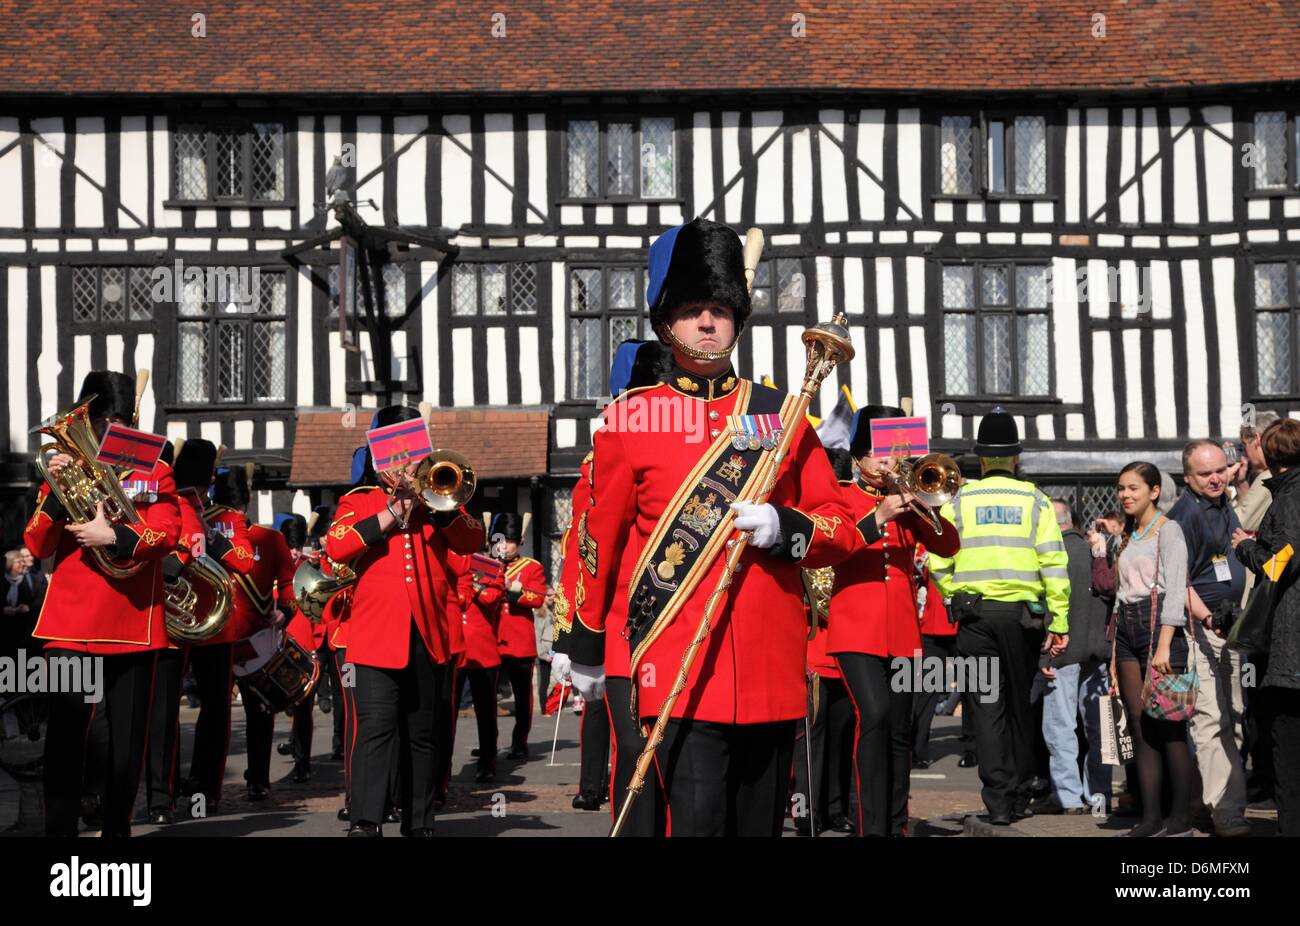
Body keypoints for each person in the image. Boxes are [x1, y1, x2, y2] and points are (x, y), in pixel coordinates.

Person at [561, 217, 855, 836]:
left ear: (737, 320)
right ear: (666, 323)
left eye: (720, 309)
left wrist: (787, 527)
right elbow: (599, 540)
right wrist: (586, 644)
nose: (707, 322)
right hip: (677, 665)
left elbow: (842, 523)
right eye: (692, 309)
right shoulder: (630, 419)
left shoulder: (781, 414)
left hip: (771, 667)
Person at [26, 370, 181, 836]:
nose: (105, 431)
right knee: (66, 736)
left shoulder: (154, 469)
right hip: (70, 622)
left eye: (114, 421)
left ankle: (117, 832)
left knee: (126, 743)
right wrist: (55, 496)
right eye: (99, 422)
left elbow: (168, 533)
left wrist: (112, 535)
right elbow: (35, 542)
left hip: (131, 619)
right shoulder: (65, 468)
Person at [324, 403, 485, 837]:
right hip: (376, 635)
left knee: (422, 733)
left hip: (428, 634)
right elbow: (337, 547)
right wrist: (395, 511)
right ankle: (365, 820)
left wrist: (439, 506)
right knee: (375, 729)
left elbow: (474, 539)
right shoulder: (359, 500)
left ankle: (419, 824)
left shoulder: (440, 502)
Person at [927, 408, 1070, 825]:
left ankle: (998, 801)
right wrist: (1058, 621)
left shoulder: (959, 502)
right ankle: (1022, 791)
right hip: (1023, 620)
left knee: (985, 706)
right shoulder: (1036, 501)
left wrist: (956, 596)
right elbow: (1054, 566)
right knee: (1021, 708)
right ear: (1016, 458)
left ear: (982, 459)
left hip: (974, 620)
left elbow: (937, 561)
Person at [824, 406, 959, 836]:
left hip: (901, 631)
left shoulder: (911, 502)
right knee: (876, 716)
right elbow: (832, 547)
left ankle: (896, 825)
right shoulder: (843, 495)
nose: (888, 464)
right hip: (854, 629)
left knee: (900, 731)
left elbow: (948, 547)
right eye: (880, 456)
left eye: (894, 456)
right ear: (860, 458)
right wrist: (878, 515)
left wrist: (927, 505)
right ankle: (871, 827)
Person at [554, 338, 672, 830]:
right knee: (640, 754)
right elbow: (588, 546)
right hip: (631, 620)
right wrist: (580, 637)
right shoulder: (606, 451)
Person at [145, 439, 255, 823]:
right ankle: (164, 791)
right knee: (163, 708)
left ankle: (206, 788)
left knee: (216, 710)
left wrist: (213, 534)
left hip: (214, 624)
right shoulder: (168, 503)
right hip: (175, 621)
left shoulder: (226, 516)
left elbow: (244, 562)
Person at [1168, 439, 1250, 838]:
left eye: (1221, 469)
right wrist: (1206, 619)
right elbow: (1176, 581)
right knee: (1212, 719)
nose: (1216, 478)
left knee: (1231, 716)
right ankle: (1227, 811)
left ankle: (1206, 804)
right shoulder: (1184, 515)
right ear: (1187, 477)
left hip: (1230, 628)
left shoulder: (1222, 504)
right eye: (1206, 473)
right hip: (1202, 630)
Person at [1107, 462, 1194, 837]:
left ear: (1154, 491)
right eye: (1122, 489)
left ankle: (1180, 817)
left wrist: (1163, 644)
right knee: (1141, 726)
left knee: (1170, 727)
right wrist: (1114, 652)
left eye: (1134, 488)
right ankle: (1151, 816)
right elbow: (1119, 595)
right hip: (1127, 627)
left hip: (1160, 627)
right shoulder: (1127, 535)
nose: (1125, 495)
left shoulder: (1168, 531)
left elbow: (1176, 590)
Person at [1232, 417, 1300, 836]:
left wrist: (1246, 548)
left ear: (1269, 457)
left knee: (1288, 752)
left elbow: (1284, 561)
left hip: (1291, 649)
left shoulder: (1290, 498)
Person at [793, 446, 858, 836]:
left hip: (846, 648)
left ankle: (835, 808)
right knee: (810, 741)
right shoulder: (804, 527)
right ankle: (806, 811)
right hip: (812, 649)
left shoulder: (847, 526)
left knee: (841, 736)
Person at [1032, 498, 1111, 815]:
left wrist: (1042, 658)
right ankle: (1099, 797)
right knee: (1100, 730)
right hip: (1100, 650)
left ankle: (1069, 797)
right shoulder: (1096, 550)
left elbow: (1044, 607)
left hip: (1061, 651)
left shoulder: (1050, 553)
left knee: (1061, 728)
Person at [490, 513, 548, 761]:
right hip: (490, 642)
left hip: (519, 643)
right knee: (487, 700)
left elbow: (537, 598)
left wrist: (514, 593)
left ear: (520, 541)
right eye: (500, 541)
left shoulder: (532, 567)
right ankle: (488, 744)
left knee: (523, 699)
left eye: (510, 541)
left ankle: (519, 742)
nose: (504, 546)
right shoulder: (487, 564)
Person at [452, 549, 504, 783]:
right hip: (453, 647)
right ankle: (442, 769)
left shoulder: (488, 566)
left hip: (482, 652)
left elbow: (491, 598)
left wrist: (472, 582)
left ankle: (487, 762)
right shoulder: (445, 560)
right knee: (447, 712)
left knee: (486, 712)